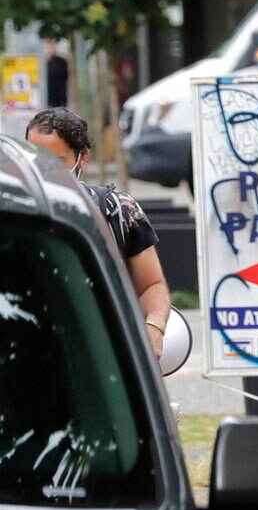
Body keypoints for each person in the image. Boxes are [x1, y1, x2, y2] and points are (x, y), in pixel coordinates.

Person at [26, 107, 171, 359]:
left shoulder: (119, 212)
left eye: (56, 162)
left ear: (83, 158)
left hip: (106, 361)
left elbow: (152, 284)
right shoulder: (12, 213)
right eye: (35, 160)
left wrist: (154, 327)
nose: (43, 172)